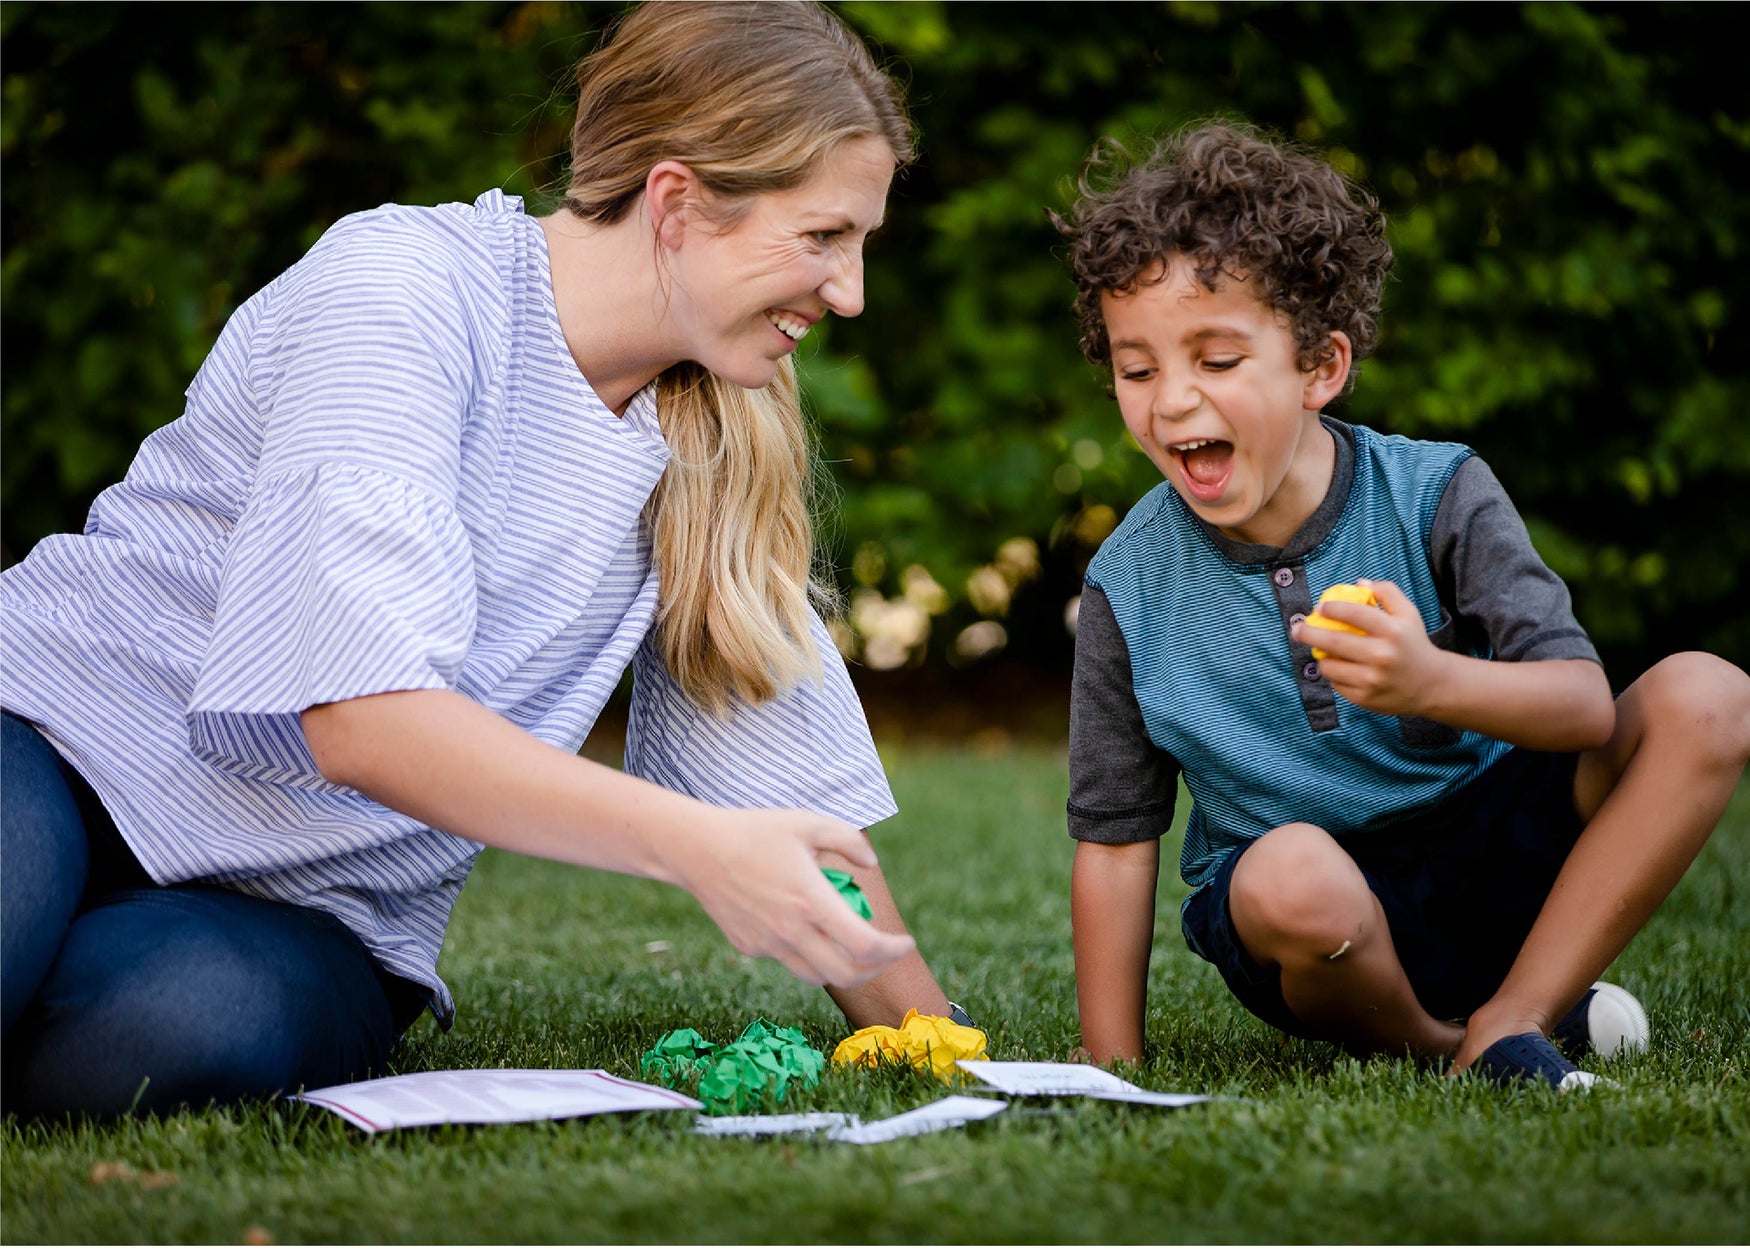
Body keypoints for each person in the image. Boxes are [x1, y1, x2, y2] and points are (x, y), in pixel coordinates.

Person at [0, 0, 967, 1119]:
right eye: (821, 237)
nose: (847, 292)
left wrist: (931, 1039)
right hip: (57, 743)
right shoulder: (404, 288)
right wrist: (696, 848)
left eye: (859, 244)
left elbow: (785, 789)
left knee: (156, 1041)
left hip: (312, 909)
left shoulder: (716, 425)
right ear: (676, 201)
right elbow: (360, 716)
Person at [1055, 122, 1750, 1089]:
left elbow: (1585, 707)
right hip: (1315, 924)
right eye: (1138, 370)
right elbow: (1117, 841)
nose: (1171, 401)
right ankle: (1448, 1047)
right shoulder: (1127, 584)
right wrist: (1111, 1072)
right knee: (1293, 869)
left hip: (1498, 856)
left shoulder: (1435, 494)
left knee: (1710, 695)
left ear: (1321, 367)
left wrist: (1430, 680)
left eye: (1215, 361)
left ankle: (1514, 1015)